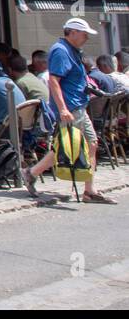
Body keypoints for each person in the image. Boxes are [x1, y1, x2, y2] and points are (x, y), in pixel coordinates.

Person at [22, 19, 115, 203]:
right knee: (65, 147)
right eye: (84, 33)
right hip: (71, 107)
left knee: (89, 143)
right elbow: (53, 81)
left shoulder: (71, 50)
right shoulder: (61, 50)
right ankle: (31, 173)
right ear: (72, 32)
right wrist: (63, 108)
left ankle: (89, 190)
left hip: (77, 105)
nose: (87, 37)